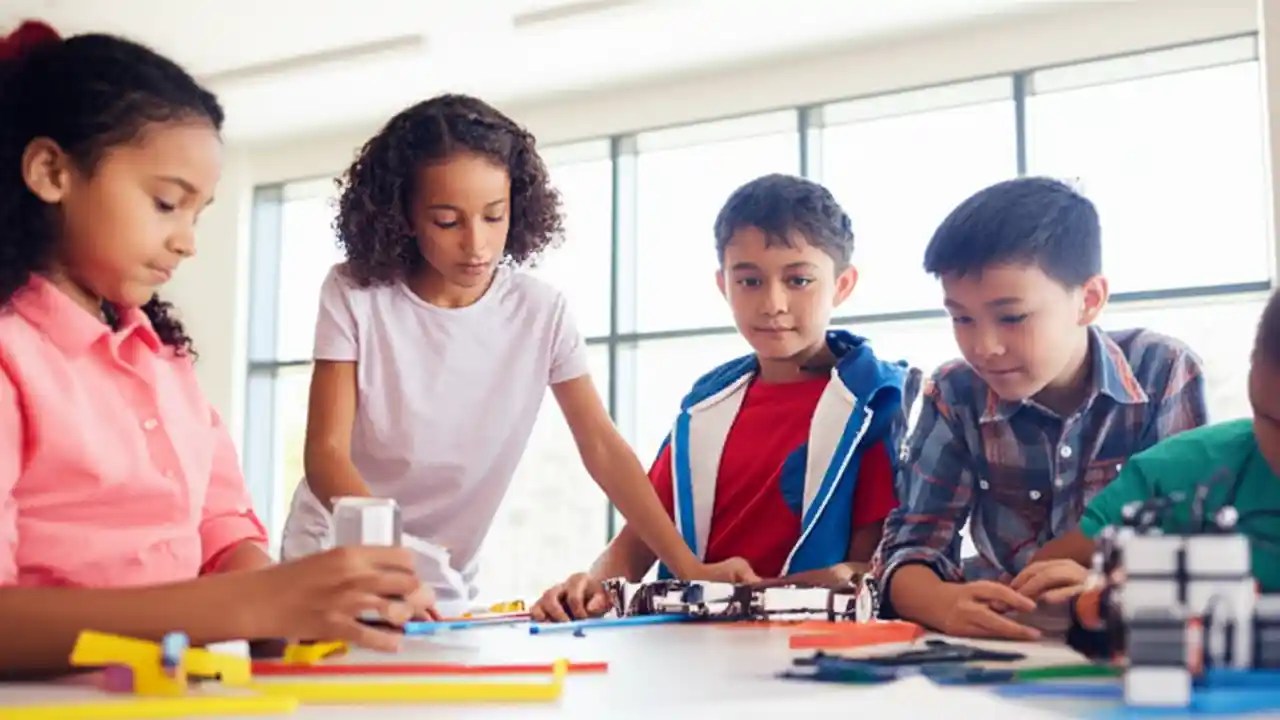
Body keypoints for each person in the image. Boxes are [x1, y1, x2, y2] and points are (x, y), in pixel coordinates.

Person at [0, 21, 434, 673]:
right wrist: (251, 605)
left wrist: (293, 610)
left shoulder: (162, 360)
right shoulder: (13, 355)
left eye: (197, 214)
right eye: (167, 203)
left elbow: (220, 527)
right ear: (51, 171)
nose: (187, 240)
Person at [279, 94, 755, 612]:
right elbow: (325, 455)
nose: (476, 243)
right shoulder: (355, 293)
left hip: (443, 576)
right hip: (335, 555)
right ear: (404, 215)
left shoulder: (541, 312)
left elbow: (602, 447)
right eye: (446, 221)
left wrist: (689, 569)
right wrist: (395, 557)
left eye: (493, 216)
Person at [531, 174, 909, 621]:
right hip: (688, 651)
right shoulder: (705, 409)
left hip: (815, 652)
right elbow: (639, 541)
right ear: (722, 284)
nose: (773, 303)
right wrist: (589, 586)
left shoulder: (874, 405)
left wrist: (769, 591)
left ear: (842, 285)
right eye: (749, 281)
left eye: (799, 280)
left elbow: (868, 569)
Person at [872, 177, 1208, 640]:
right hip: (1000, 638)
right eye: (961, 318)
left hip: (1127, 641)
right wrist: (942, 603)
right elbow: (909, 549)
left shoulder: (1162, 370)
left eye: (1012, 318)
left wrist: (1108, 590)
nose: (984, 346)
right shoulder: (954, 391)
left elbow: (1194, 543)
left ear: (1088, 300)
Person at [1026, 286, 1280, 596]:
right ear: (1253, 373)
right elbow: (1046, 575)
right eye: (1273, 422)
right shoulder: (1185, 473)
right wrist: (1106, 597)